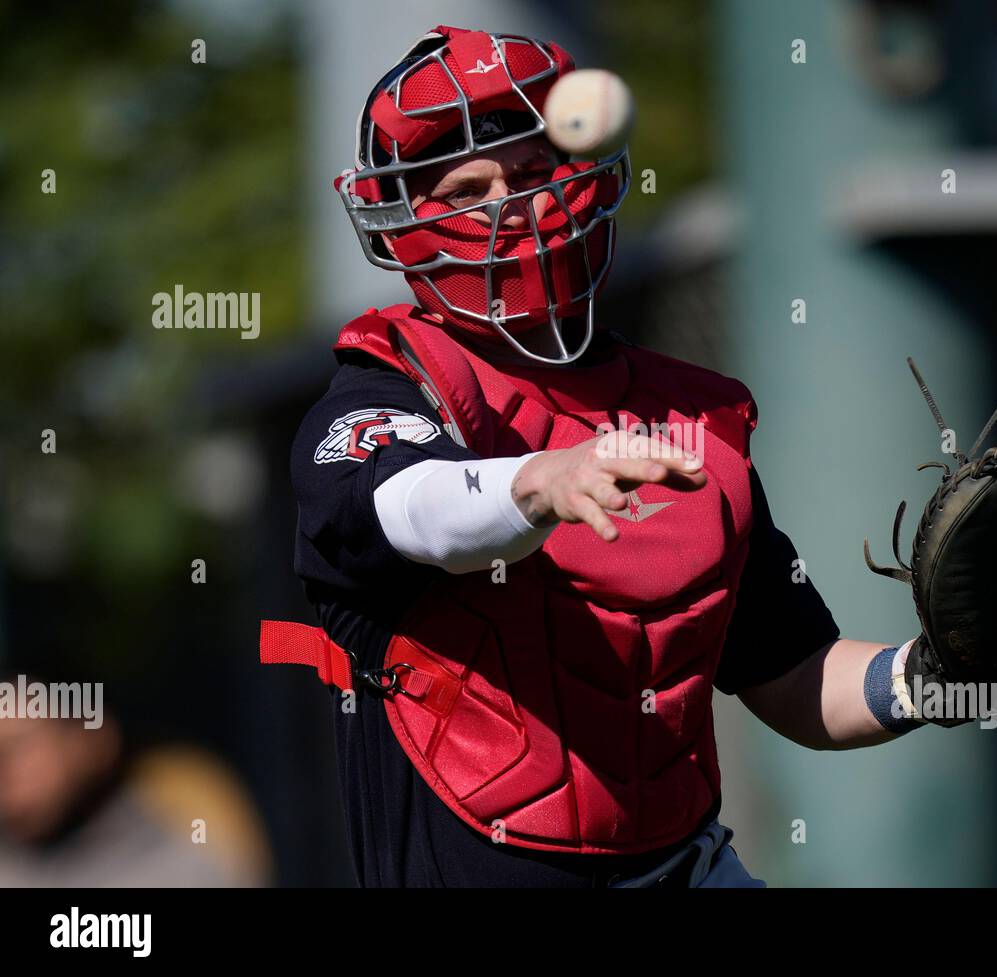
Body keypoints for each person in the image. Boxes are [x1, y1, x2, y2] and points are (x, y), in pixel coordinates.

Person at [261, 24, 941, 888]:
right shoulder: (382, 395)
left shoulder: (695, 415)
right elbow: (410, 510)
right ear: (400, 222)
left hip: (686, 868)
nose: (512, 207)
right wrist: (538, 481)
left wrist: (938, 673)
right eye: (469, 189)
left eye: (536, 172)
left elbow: (798, 678)